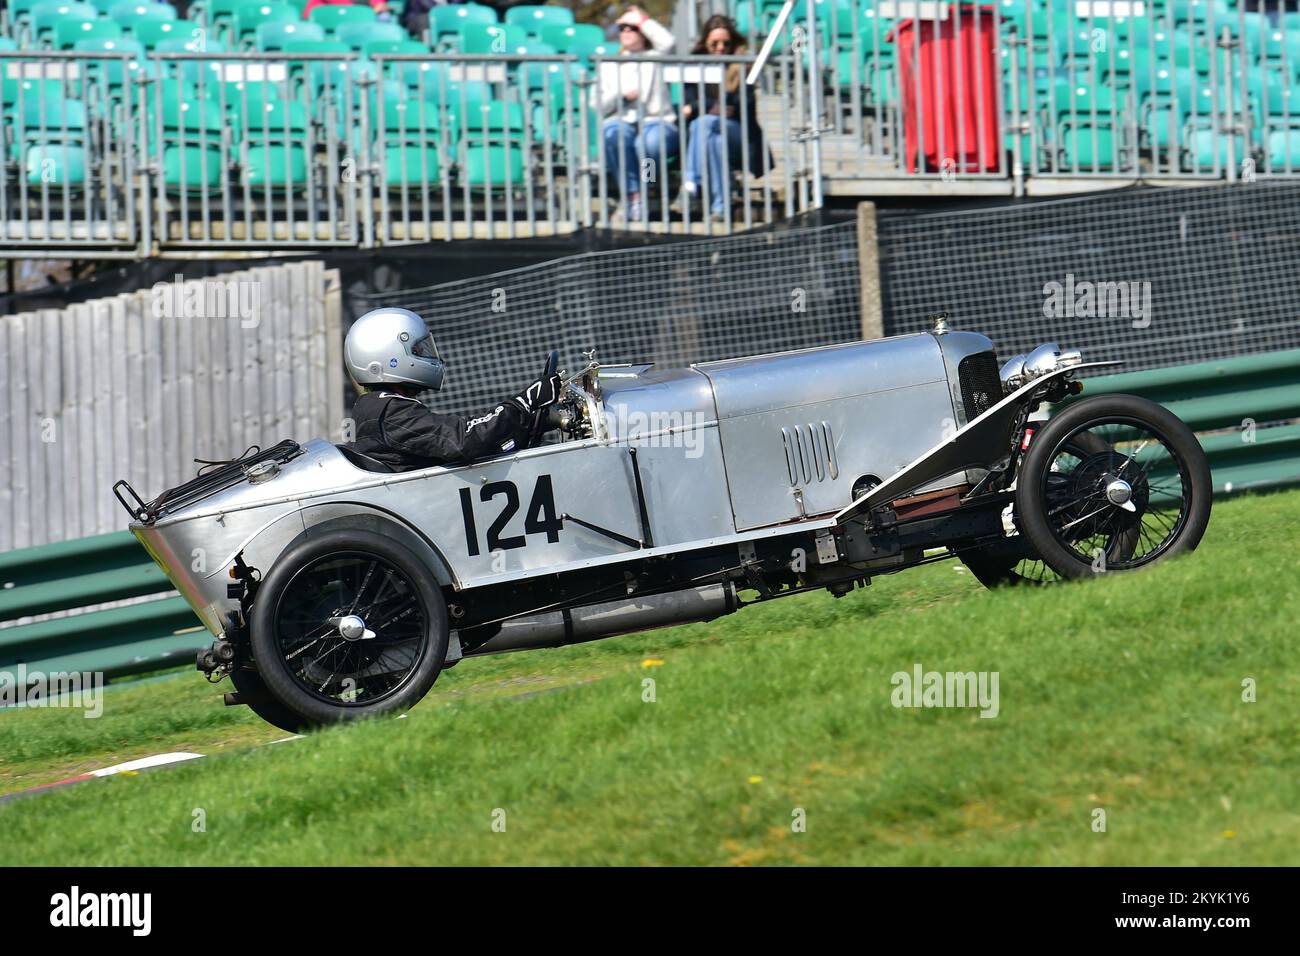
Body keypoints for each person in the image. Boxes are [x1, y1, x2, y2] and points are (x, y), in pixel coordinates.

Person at [344, 308, 562, 471]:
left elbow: (457, 439)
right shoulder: (388, 411)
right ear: (389, 356)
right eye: (419, 350)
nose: (428, 355)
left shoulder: (377, 407)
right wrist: (524, 403)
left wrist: (527, 425)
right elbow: (462, 440)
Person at [680, 14, 771, 221]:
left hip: (739, 132)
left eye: (726, 43)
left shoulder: (742, 65)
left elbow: (742, 105)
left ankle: (690, 183)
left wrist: (703, 108)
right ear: (705, 43)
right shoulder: (695, 66)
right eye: (715, 43)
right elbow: (689, 103)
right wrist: (714, 107)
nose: (721, 48)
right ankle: (721, 207)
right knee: (712, 138)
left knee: (704, 123)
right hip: (707, 133)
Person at [597, 5, 677, 224]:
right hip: (621, 120)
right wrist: (621, 97)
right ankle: (633, 194)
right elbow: (598, 106)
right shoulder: (608, 65)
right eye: (621, 28)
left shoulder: (655, 57)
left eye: (631, 28)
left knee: (648, 144)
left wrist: (642, 20)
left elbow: (668, 41)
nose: (625, 32)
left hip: (656, 121)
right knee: (612, 133)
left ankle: (647, 184)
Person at [303, 0, 398, 23]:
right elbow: (310, 13)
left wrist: (377, 8)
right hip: (336, 23)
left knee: (384, 17)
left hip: (364, 22)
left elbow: (379, 4)